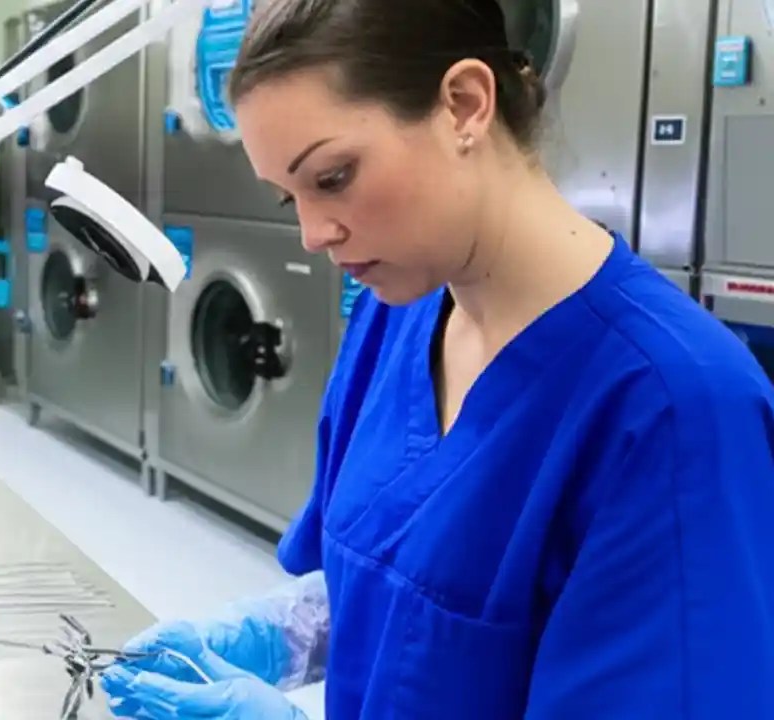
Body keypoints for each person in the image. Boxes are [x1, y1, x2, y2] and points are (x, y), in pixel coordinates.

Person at [100, 0, 774, 718]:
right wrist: (282, 633)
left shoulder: (673, 411)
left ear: (464, 105)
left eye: (331, 178)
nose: (312, 234)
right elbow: (414, 585)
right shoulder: (394, 318)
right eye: (286, 196)